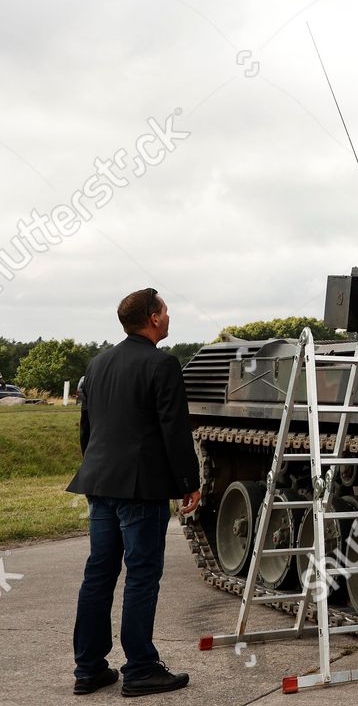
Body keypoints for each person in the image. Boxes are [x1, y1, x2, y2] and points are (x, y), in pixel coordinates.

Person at [67, 289, 200, 697]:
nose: (168, 313)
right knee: (142, 576)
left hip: (99, 481)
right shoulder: (162, 364)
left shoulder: (98, 363)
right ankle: (141, 668)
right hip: (140, 488)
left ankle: (89, 668)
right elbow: (174, 430)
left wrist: (96, 469)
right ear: (154, 318)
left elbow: (87, 429)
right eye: (165, 309)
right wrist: (188, 482)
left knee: (99, 572)